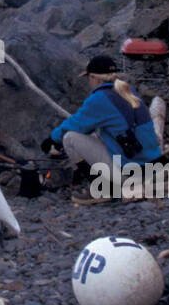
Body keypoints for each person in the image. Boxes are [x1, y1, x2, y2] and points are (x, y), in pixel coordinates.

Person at [42, 55, 160, 198]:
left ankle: (104, 190)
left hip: (132, 172)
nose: (89, 82)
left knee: (69, 138)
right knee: (96, 134)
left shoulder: (100, 98)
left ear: (95, 78)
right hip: (151, 163)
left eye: (89, 78)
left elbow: (75, 124)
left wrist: (52, 140)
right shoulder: (128, 89)